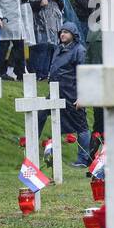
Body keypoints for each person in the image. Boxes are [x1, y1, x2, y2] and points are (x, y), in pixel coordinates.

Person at [44, 22, 92, 167]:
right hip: (55, 93)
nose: (62, 34)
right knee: (39, 114)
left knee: (81, 127)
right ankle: (35, 148)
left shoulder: (79, 50)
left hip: (72, 95)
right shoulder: (58, 49)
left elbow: (85, 75)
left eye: (66, 32)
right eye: (61, 32)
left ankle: (83, 159)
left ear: (73, 34)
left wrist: (83, 96)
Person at [31, 0, 64, 78]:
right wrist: (40, 4)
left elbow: (61, 7)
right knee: (42, 50)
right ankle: (38, 73)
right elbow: (29, 7)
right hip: (39, 28)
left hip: (53, 29)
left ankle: (45, 73)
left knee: (51, 50)